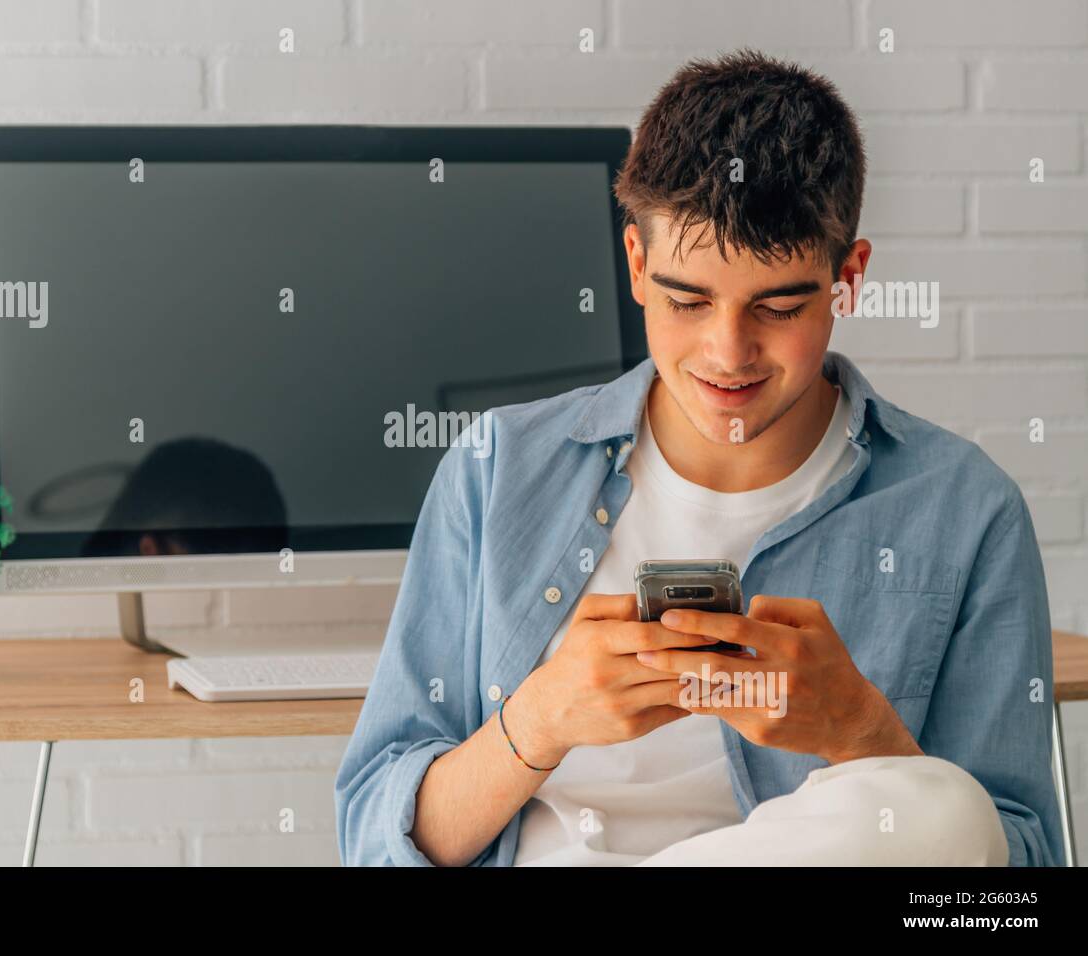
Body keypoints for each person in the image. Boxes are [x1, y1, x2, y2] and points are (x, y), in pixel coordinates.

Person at [334, 48, 1063, 867]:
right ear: (637, 266)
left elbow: (1007, 883)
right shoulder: (496, 468)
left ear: (848, 278)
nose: (729, 353)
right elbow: (374, 838)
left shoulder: (964, 509)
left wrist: (860, 731)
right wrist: (537, 722)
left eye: (779, 305)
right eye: (688, 300)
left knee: (952, 817)